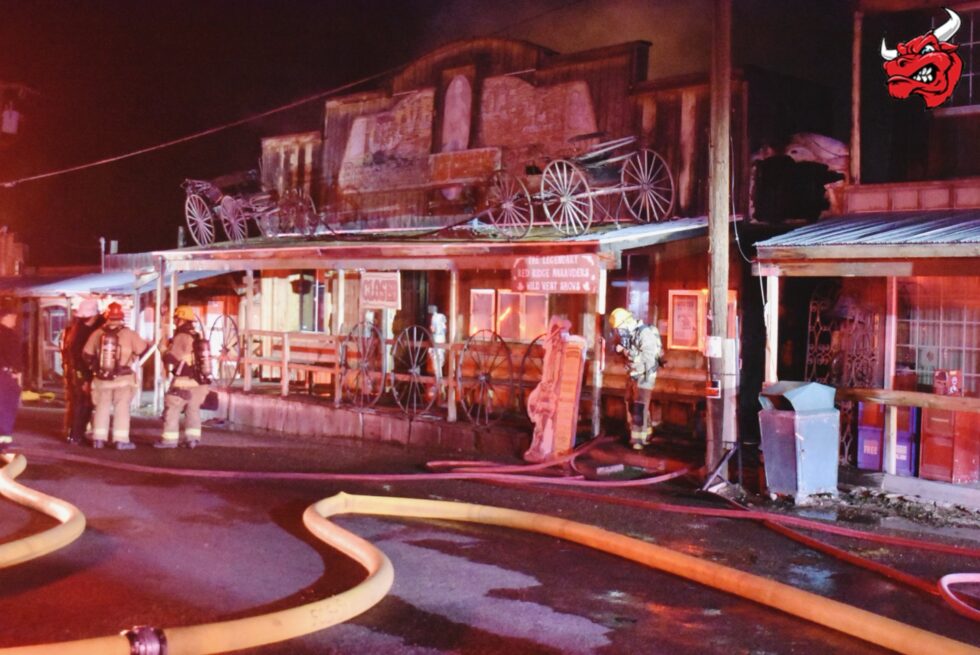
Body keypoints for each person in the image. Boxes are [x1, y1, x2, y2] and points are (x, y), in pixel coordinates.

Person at [82, 302, 148, 450]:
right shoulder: (129, 334)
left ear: (107, 316)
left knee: (101, 407)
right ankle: (121, 440)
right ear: (121, 317)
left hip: (102, 380)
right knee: (122, 408)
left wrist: (97, 368)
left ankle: (98, 439)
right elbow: (143, 349)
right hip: (123, 380)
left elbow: (86, 355)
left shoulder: (97, 334)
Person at [609, 307, 664, 450]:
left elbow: (649, 358)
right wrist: (621, 351)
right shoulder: (630, 334)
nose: (620, 331)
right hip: (634, 375)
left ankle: (638, 442)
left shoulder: (645, 333)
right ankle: (647, 433)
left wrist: (629, 354)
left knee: (639, 407)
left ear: (628, 321)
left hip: (645, 375)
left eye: (620, 327)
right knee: (633, 404)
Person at [158, 305, 211, 449]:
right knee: (193, 409)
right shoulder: (197, 335)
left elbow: (171, 358)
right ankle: (192, 440)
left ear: (181, 319)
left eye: (176, 318)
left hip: (184, 381)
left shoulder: (181, 336)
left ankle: (169, 441)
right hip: (199, 382)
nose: (175, 321)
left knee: (173, 408)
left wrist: (162, 349)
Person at [61, 298, 104, 445]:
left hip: (79, 372)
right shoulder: (81, 333)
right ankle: (76, 435)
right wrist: (84, 379)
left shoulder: (77, 329)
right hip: (80, 373)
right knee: (82, 404)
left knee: (81, 404)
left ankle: (75, 433)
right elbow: (77, 357)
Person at [0, 299, 22, 452]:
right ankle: (4, 442)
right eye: (13, 317)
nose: (15, 320)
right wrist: (18, 375)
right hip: (5, 376)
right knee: (6, 408)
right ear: (5, 317)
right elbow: (16, 358)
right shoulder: (9, 335)